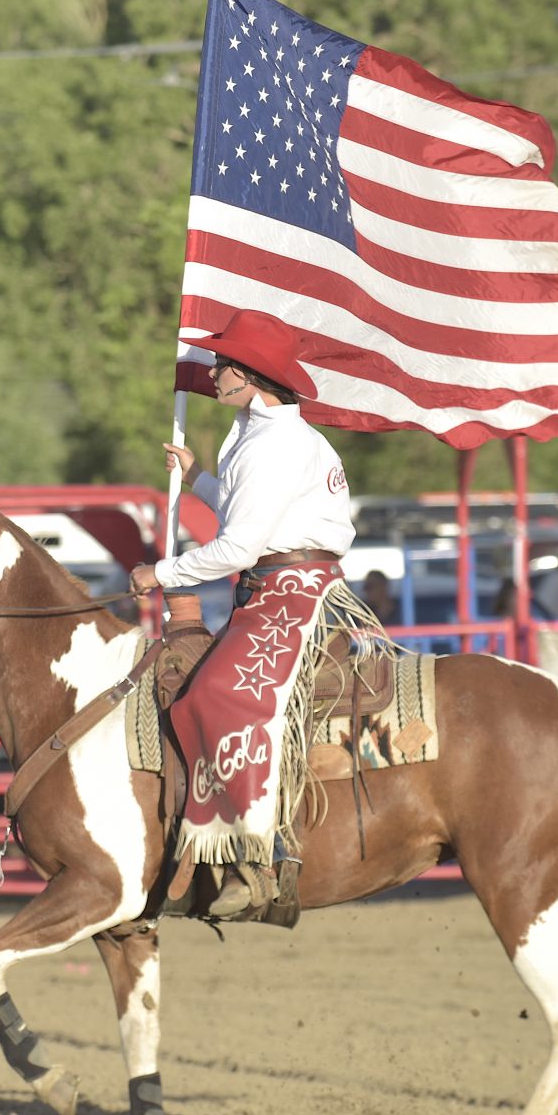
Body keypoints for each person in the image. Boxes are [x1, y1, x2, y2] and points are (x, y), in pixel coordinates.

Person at [129, 310, 355, 919]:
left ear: (251, 376)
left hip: (291, 588)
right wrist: (198, 477)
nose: (216, 371)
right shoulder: (268, 437)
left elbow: (238, 547)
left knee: (220, 696)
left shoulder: (274, 444)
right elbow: (247, 511)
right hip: (283, 583)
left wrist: (163, 573)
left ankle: (261, 856)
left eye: (226, 363)